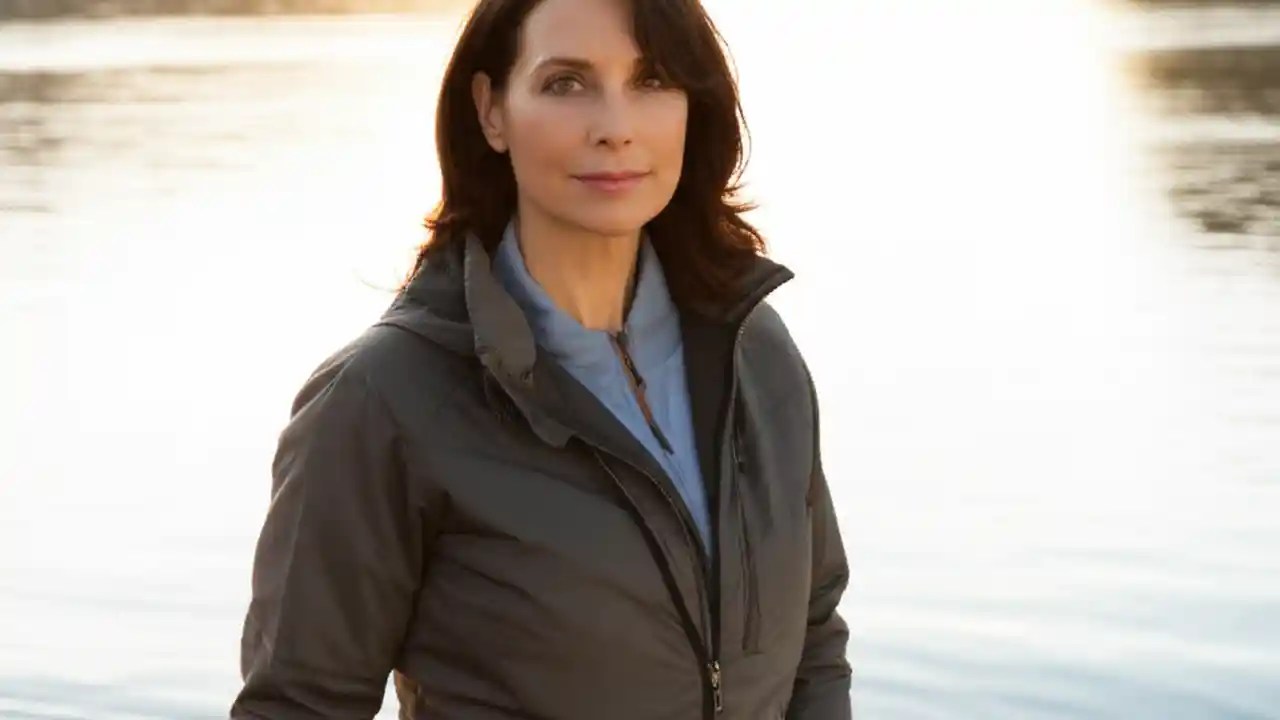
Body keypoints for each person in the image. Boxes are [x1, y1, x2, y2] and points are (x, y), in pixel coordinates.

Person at [229, 0, 851, 717]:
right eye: (566, 83)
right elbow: (299, 705)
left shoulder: (756, 351)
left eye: (651, 80)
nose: (615, 128)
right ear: (492, 110)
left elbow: (813, 638)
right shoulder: (382, 399)